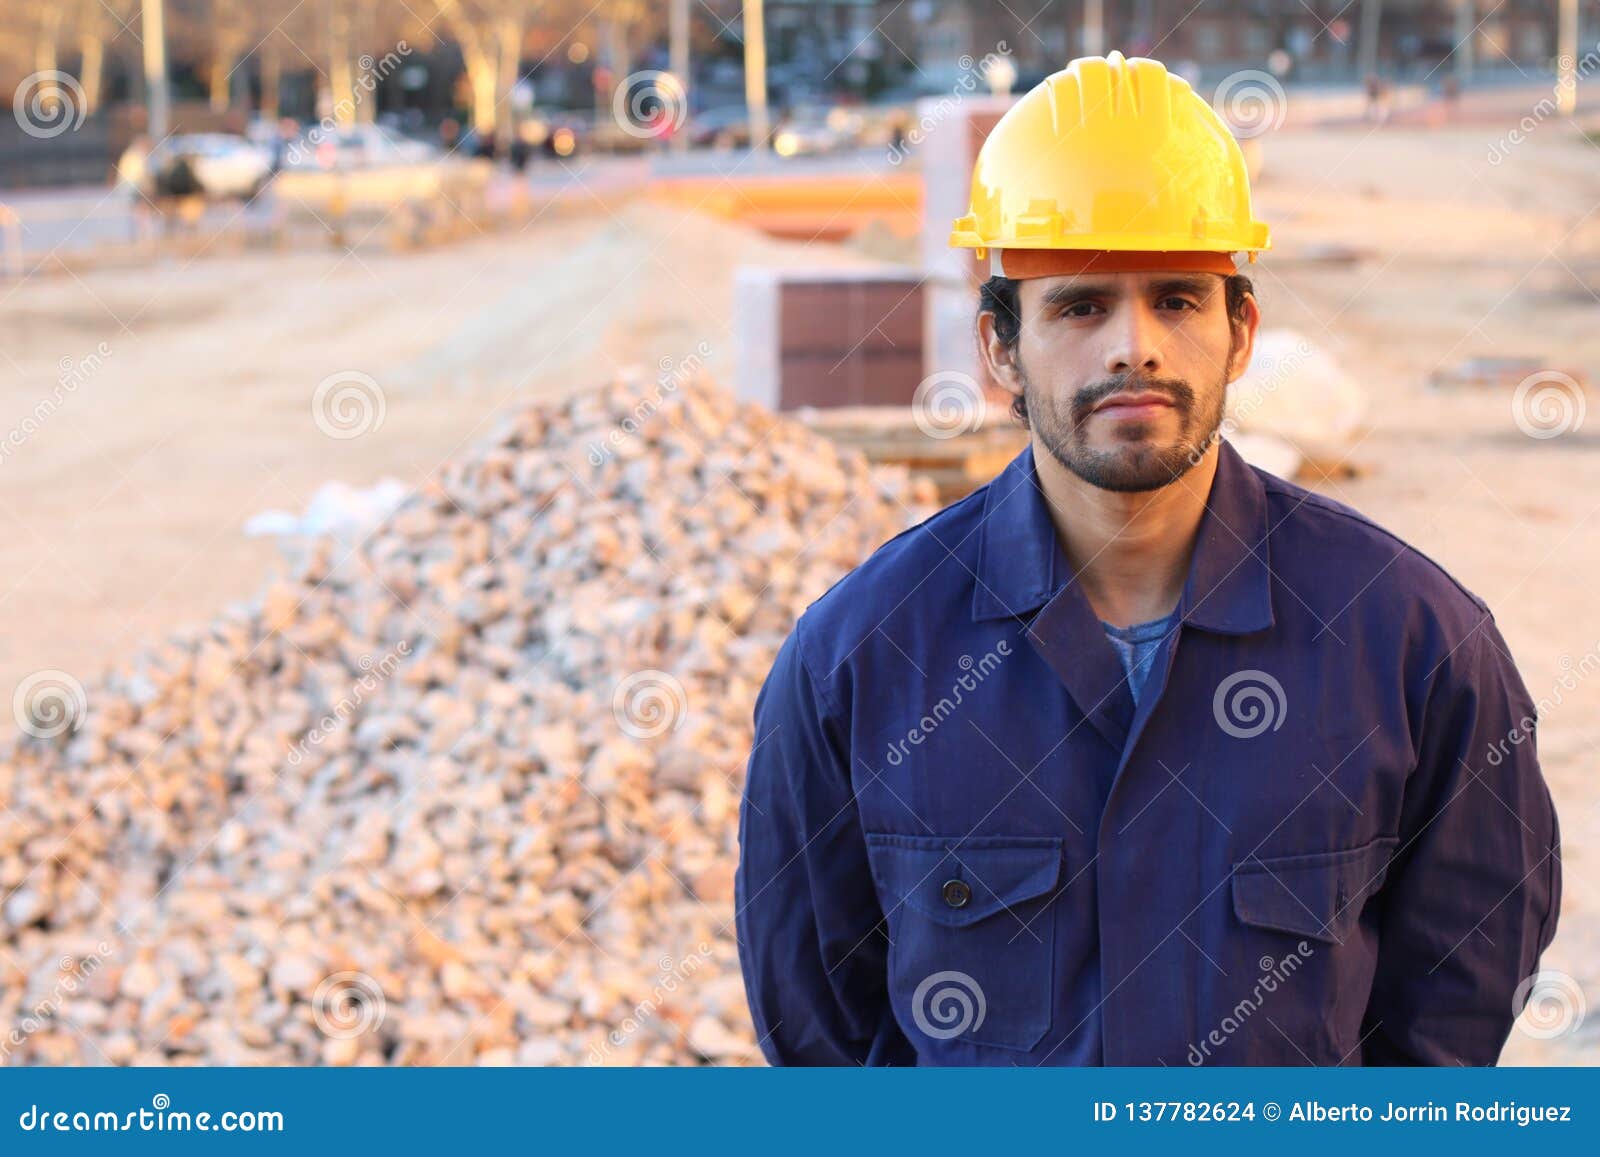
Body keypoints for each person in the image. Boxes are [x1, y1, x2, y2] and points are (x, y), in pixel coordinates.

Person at [734, 51, 1560, 1066]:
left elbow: (1453, 1011)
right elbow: (824, 1037)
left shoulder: (1411, 645)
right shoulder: (859, 663)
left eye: (1176, 298)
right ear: (1000, 346)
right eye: (1080, 305)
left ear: (1240, 329)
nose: (1135, 346)